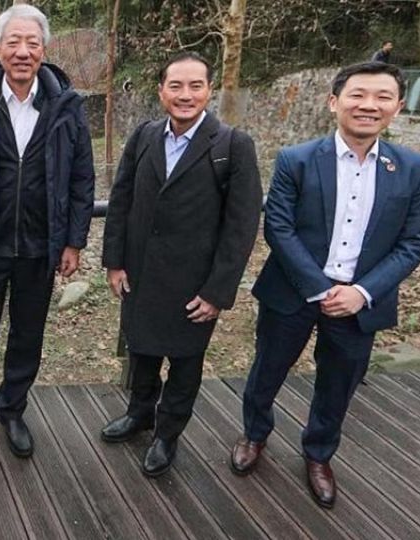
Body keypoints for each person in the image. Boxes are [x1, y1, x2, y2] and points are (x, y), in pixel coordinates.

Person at [231, 61, 420, 508]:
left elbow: (415, 240)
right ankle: (254, 434)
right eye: (358, 94)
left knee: (339, 383)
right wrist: (319, 287)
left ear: (397, 107)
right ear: (334, 102)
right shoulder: (296, 159)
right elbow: (278, 226)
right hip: (293, 291)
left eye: (381, 97)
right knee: (266, 372)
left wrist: (361, 292)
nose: (368, 105)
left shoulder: (414, 168)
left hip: (362, 301)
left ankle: (319, 454)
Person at [0, 4, 95, 479]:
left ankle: (11, 408)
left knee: (28, 335)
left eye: (32, 43)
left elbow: (82, 180)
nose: (23, 51)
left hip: (41, 247)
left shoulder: (66, 106)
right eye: (14, 42)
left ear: (44, 50)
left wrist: (73, 242)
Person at [100, 52, 263, 477]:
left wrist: (217, 291)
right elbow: (121, 200)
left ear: (210, 90)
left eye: (195, 86)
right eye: (176, 86)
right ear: (161, 92)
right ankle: (140, 414)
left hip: (195, 282)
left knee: (185, 362)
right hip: (141, 273)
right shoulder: (145, 135)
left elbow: (242, 225)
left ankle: (167, 433)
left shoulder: (233, 145)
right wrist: (114, 262)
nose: (185, 95)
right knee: (142, 351)